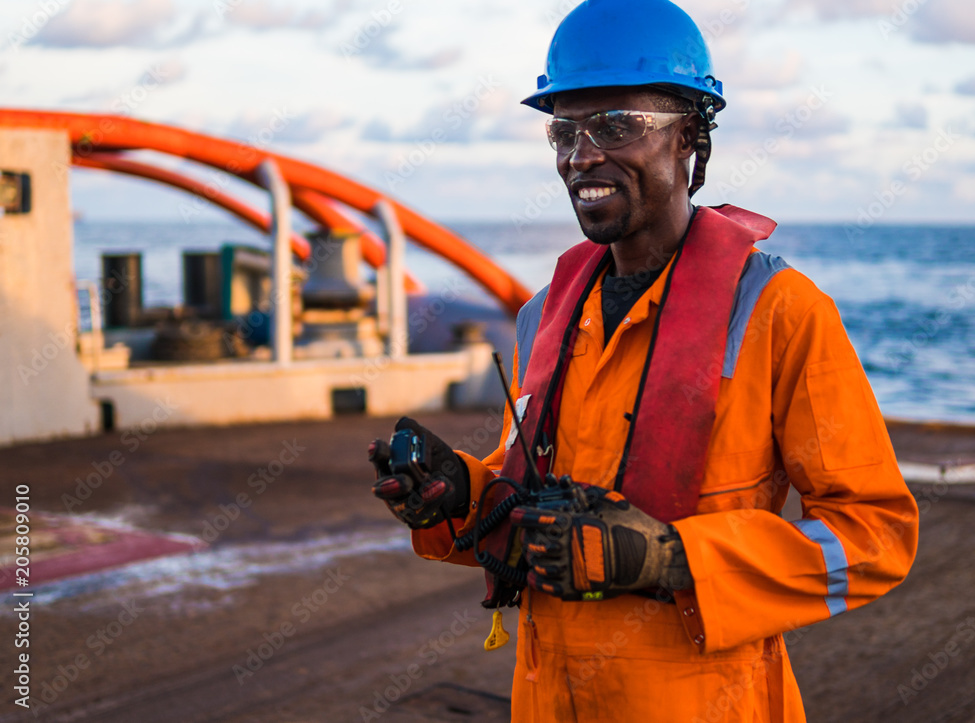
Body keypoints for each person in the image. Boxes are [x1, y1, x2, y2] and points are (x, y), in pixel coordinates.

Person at [370, 0, 919, 720]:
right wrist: (459, 497)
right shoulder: (548, 314)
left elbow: (874, 536)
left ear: (690, 135)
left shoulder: (779, 312)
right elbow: (533, 508)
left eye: (616, 126)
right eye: (564, 130)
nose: (581, 155)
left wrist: (672, 557)